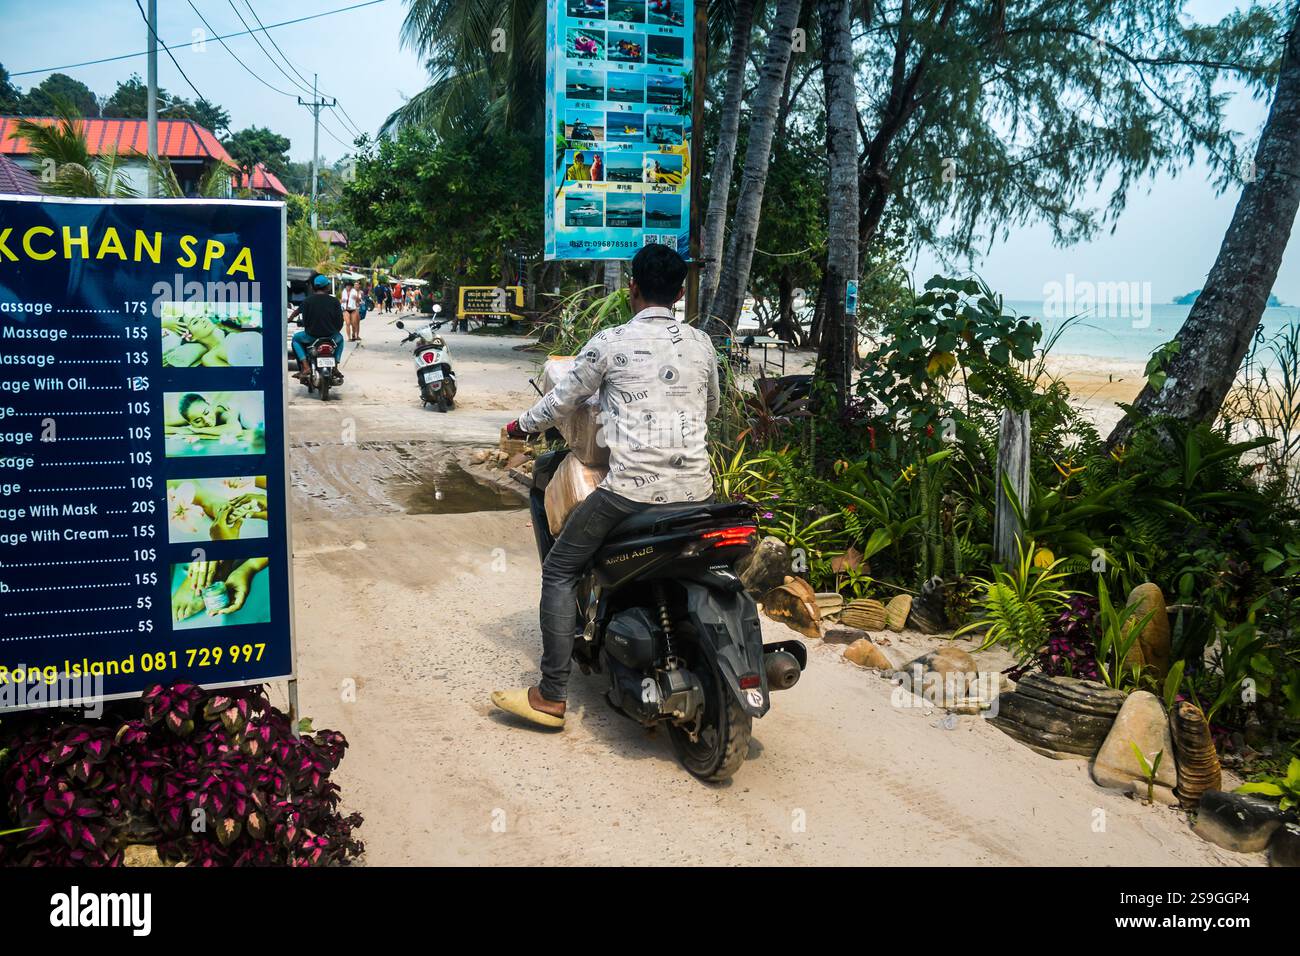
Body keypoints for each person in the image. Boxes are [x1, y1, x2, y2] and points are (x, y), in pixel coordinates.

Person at [491, 244, 719, 729]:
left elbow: (560, 402)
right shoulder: (701, 344)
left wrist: (517, 428)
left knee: (559, 568)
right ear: (680, 294)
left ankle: (551, 695)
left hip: (631, 493)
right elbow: (712, 408)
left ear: (631, 287)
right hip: (699, 494)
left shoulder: (610, 341)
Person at [288, 274, 345, 382]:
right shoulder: (334, 301)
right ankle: (336, 366)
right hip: (331, 336)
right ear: (327, 287)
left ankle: (305, 366)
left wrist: (290, 319)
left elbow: (296, 312)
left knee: (296, 339)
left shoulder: (307, 301)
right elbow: (340, 321)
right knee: (341, 339)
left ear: (314, 287)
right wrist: (335, 331)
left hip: (311, 337)